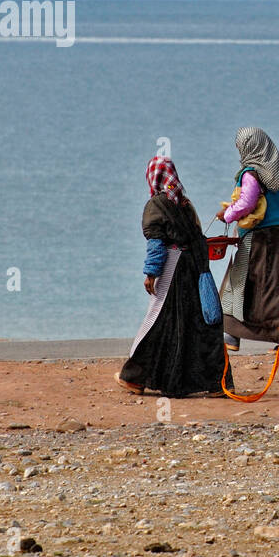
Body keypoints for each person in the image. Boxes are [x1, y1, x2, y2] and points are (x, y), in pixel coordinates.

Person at [117, 157, 230, 397]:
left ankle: (135, 378)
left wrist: (151, 273)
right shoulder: (186, 204)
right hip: (197, 269)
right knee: (199, 324)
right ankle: (218, 384)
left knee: (159, 322)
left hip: (173, 270)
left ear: (154, 177)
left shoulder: (156, 205)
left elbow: (156, 242)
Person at [215, 126, 279, 353]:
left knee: (238, 284)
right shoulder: (277, 174)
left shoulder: (250, 174)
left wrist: (227, 214)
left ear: (249, 148)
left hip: (256, 241)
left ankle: (231, 336)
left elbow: (247, 204)